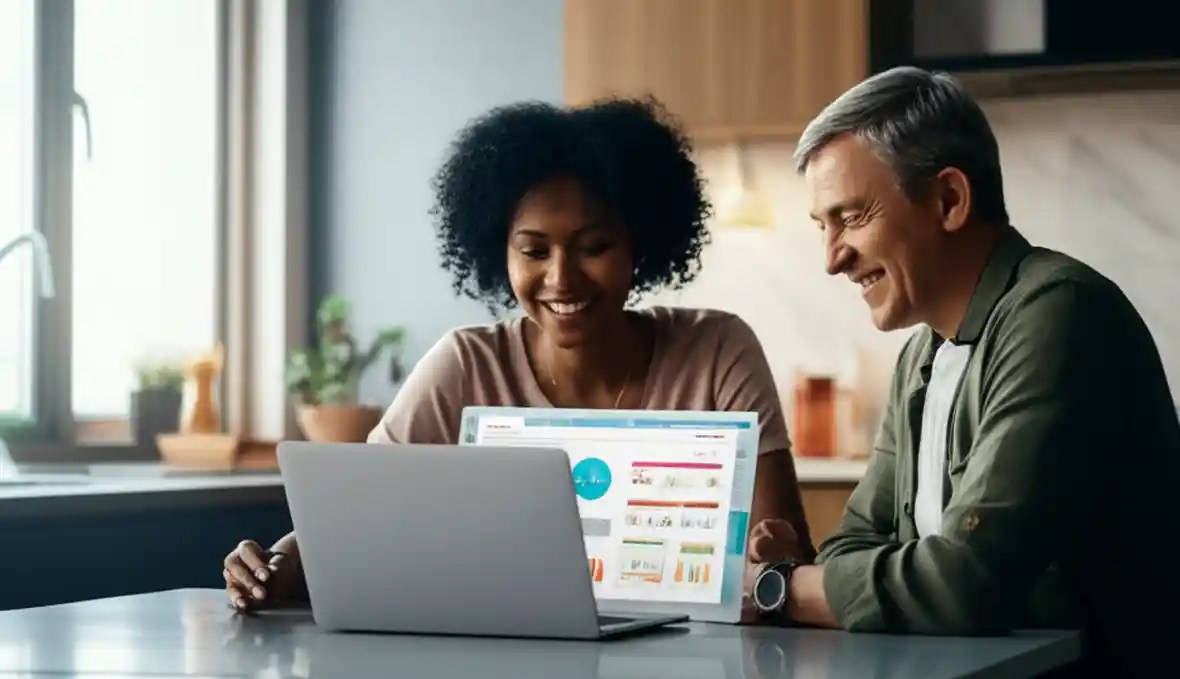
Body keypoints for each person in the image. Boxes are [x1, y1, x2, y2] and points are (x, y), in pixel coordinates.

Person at [744, 67, 1180, 679]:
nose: (832, 258)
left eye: (850, 218)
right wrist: (821, 581)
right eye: (821, 226)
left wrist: (781, 588)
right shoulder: (924, 355)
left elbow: (965, 583)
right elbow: (855, 544)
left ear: (948, 200)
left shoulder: (1059, 312)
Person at [223, 97, 815, 613]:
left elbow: (783, 557)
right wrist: (278, 563)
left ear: (641, 244)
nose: (561, 278)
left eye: (594, 247)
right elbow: (352, 518)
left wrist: (774, 558)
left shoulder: (717, 351)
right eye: (534, 250)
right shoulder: (465, 364)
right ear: (499, 252)